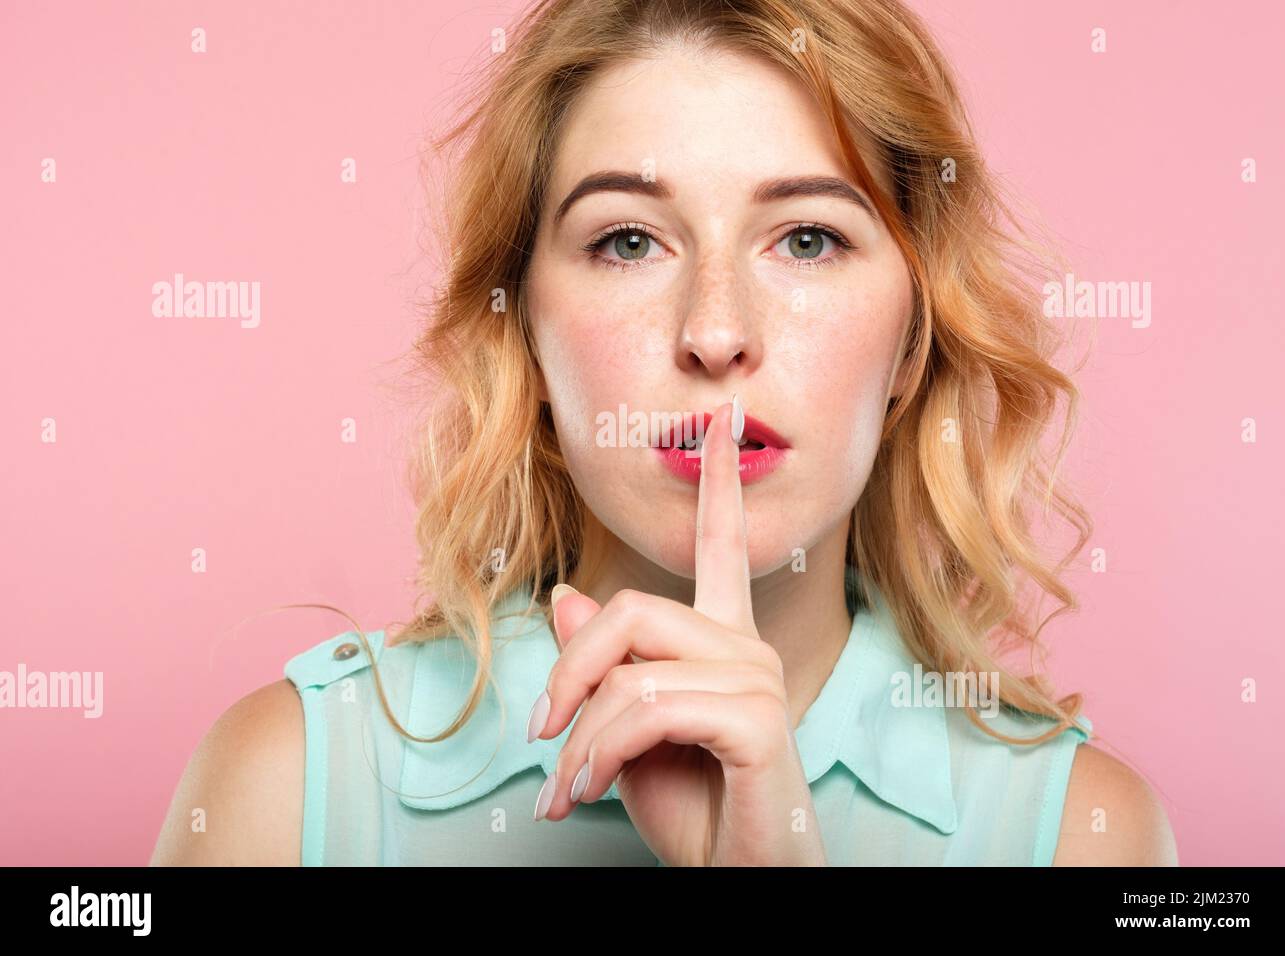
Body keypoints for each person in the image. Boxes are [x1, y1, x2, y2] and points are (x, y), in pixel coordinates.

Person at [151, 0, 1177, 866]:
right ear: (527, 337)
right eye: (628, 241)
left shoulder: (1082, 835)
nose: (716, 332)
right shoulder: (284, 788)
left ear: (910, 344)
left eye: (809, 239)